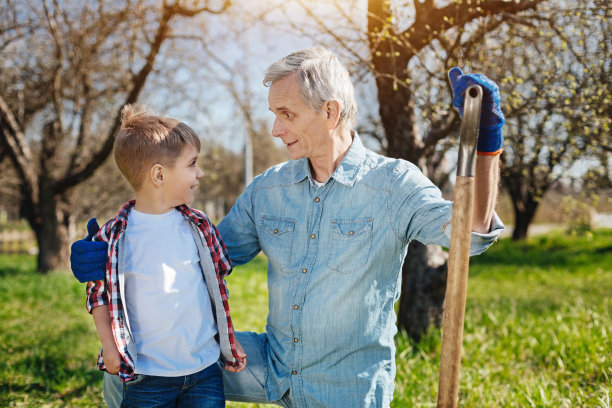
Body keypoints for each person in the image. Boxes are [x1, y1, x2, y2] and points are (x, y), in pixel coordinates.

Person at [72, 47, 505, 408]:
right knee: (131, 369)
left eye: (287, 114)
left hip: (345, 389)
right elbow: (201, 257)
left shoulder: (393, 184)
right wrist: (117, 254)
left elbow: (470, 236)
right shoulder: (269, 189)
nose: (276, 130)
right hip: (270, 365)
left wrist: (486, 148)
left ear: (331, 112)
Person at [83, 104, 247, 407]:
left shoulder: (199, 226)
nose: (200, 173)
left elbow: (216, 289)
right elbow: (99, 296)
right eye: (192, 164)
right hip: (148, 377)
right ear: (159, 174)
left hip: (205, 371)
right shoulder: (114, 236)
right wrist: (108, 347)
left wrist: (227, 339)